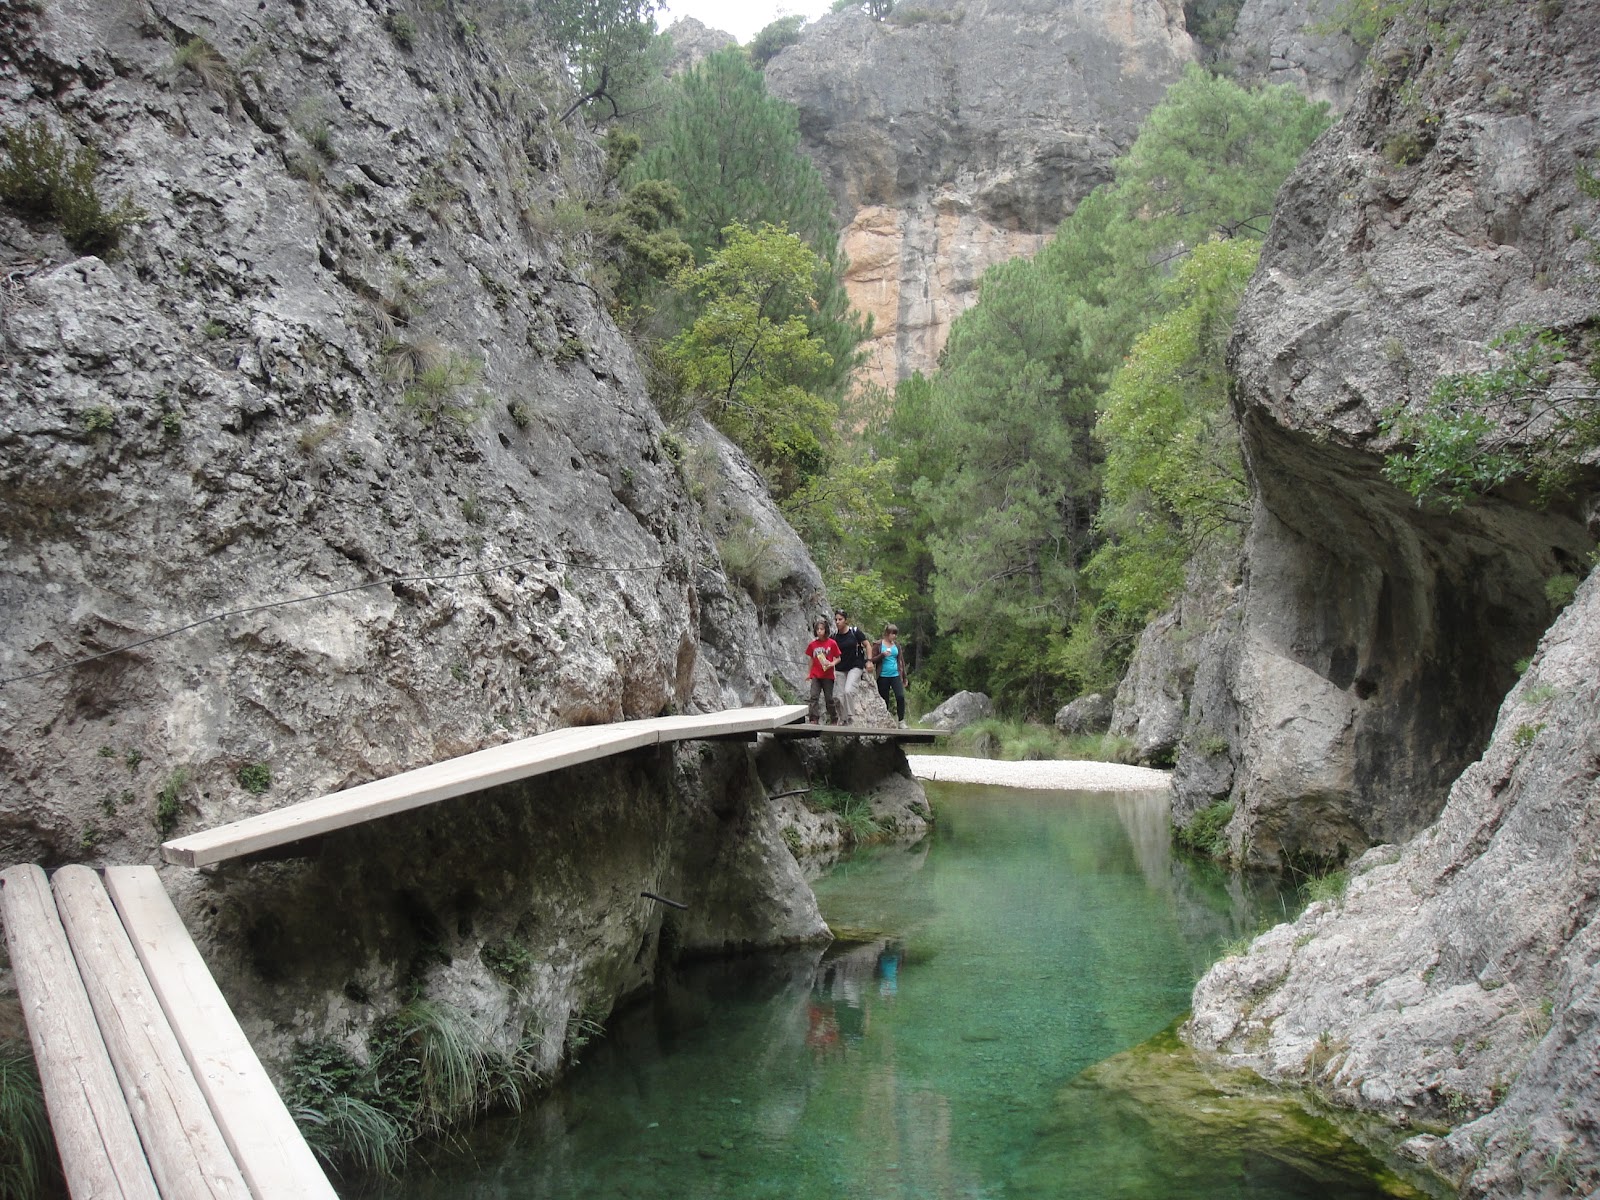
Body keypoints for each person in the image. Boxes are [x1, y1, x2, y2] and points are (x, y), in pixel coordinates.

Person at [832, 608, 868, 726]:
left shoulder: (855, 632)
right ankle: (843, 719)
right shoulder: (834, 637)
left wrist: (869, 661)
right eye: (836, 619)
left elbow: (867, 645)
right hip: (840, 668)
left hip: (855, 665)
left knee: (848, 691)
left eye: (840, 619)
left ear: (845, 620)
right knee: (838, 696)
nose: (838, 622)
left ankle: (850, 716)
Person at [804, 617, 841, 724]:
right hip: (816, 675)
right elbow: (811, 659)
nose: (819, 631)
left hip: (828, 676)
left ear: (826, 630)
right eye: (817, 629)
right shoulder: (813, 645)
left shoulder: (832, 643)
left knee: (829, 698)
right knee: (814, 696)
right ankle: (814, 718)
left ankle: (834, 717)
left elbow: (838, 658)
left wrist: (832, 664)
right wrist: (809, 673)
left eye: (822, 629)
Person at [873, 624, 906, 726]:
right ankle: (885, 722)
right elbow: (872, 660)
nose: (894, 636)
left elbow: (901, 661)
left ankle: (901, 721)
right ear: (887, 634)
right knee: (884, 700)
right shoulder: (878, 645)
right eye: (893, 634)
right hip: (883, 675)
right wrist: (882, 655)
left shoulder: (897, 646)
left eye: (896, 634)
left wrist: (904, 677)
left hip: (895, 674)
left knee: (900, 696)